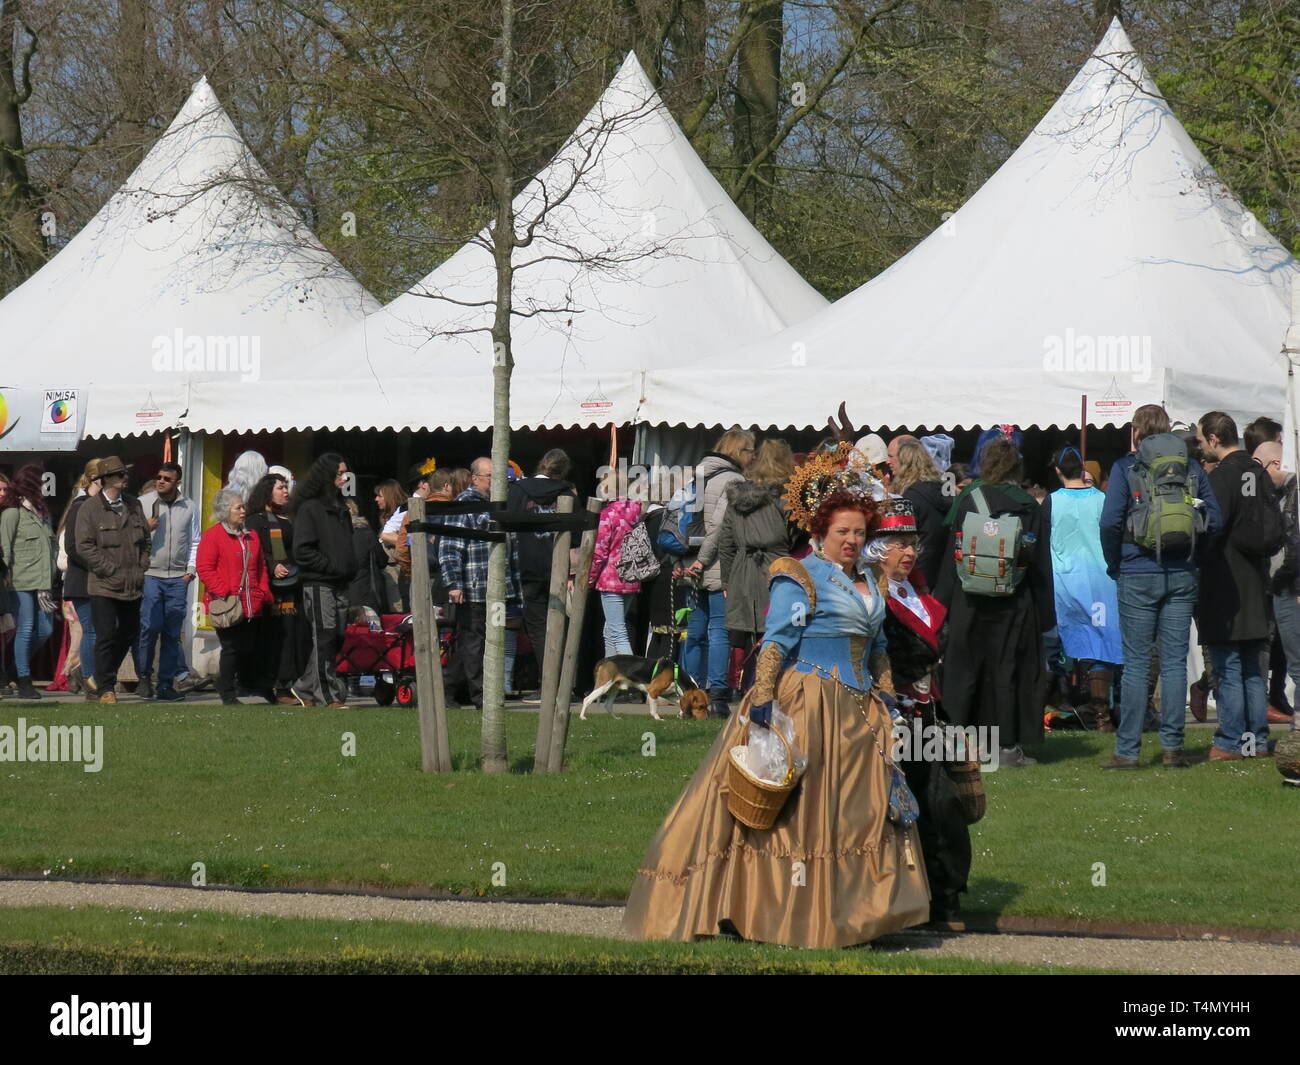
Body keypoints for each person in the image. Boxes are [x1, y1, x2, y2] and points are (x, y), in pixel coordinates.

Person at [623, 447, 929, 947]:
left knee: (859, 812)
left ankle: (856, 913)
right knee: (797, 813)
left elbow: (876, 649)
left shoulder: (872, 579)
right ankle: (774, 909)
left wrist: (889, 696)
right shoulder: (799, 574)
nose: (852, 540)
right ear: (821, 533)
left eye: (859, 532)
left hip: (859, 712)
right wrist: (763, 698)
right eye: (842, 532)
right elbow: (777, 643)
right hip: (807, 703)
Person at [863, 496, 971, 929]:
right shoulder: (870, 595)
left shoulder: (915, 589)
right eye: (897, 542)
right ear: (876, 546)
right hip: (888, 718)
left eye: (911, 542)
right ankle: (901, 903)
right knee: (896, 810)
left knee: (942, 805)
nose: (908, 552)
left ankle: (944, 898)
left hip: (928, 717)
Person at [1099, 404, 1222, 769]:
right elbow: (1214, 519)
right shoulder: (1191, 467)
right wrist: (1195, 553)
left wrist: (1115, 562)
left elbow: (1109, 522)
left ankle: (1128, 751)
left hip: (1136, 571)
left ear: (1136, 432)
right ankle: (1172, 748)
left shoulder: (1126, 468)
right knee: (1173, 662)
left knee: (1136, 664)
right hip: (1182, 572)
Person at [937, 435, 1054, 767]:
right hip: (1014, 599)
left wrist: (939, 605)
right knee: (1008, 672)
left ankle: (957, 746)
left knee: (964, 670)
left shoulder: (968, 498)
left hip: (967, 597)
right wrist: (1045, 613)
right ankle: (1005, 748)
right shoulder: (1028, 504)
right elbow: (1039, 561)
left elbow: (950, 557)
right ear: (1017, 467)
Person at [1197, 411, 1281, 760]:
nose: (1201, 447)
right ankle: (1255, 742)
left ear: (1215, 439)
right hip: (1258, 580)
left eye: (1202, 441)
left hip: (1226, 582)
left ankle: (1232, 741)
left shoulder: (1222, 477)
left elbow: (1211, 528)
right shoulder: (1258, 472)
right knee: (1251, 668)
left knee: (1228, 666)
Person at [1044, 446, 1121, 730]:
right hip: (1100, 581)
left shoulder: (1052, 501)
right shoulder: (1103, 499)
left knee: (1058, 642)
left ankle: (1052, 707)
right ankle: (1101, 715)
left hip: (1063, 580)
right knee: (1099, 643)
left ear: (1057, 470)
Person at [438, 457, 522, 710]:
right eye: (491, 477)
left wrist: (513, 590)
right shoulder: (465, 505)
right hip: (473, 588)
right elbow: (450, 547)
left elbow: (511, 549)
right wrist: (454, 583)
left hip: (496, 590)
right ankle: (481, 698)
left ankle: (448, 689)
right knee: (474, 642)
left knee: (480, 642)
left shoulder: (497, 505)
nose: (497, 482)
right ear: (475, 479)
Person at [715, 438, 794, 690]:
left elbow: (725, 542)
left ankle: (745, 690)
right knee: (777, 634)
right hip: (778, 570)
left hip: (742, 570)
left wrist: (728, 580)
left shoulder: (737, 497)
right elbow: (795, 537)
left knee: (749, 640)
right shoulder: (787, 496)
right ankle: (771, 690)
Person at [685, 429, 754, 717]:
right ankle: (717, 697)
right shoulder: (734, 481)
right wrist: (702, 560)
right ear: (739, 452)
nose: (753, 457)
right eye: (750, 451)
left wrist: (689, 561)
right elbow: (719, 527)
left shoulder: (697, 477)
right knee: (718, 631)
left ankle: (690, 693)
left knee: (695, 631)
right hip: (715, 564)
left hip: (689, 561)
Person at [75, 456, 151, 704]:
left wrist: (142, 566)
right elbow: (84, 547)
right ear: (106, 479)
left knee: (128, 634)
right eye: (119, 475)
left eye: (124, 474)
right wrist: (108, 569)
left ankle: (98, 676)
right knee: (106, 635)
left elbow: (146, 541)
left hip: (132, 583)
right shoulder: (89, 508)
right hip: (103, 584)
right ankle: (106, 688)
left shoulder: (134, 504)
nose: (124, 478)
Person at [290, 453, 358, 708]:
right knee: (325, 635)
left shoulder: (341, 508)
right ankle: (326, 695)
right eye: (339, 473)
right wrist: (330, 566)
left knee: (335, 637)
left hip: (341, 582)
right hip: (320, 583)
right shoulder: (311, 509)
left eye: (345, 473)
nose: (343, 478)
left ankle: (304, 687)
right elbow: (302, 550)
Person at [196, 489, 273, 705]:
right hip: (226, 604)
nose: (243, 511)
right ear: (225, 510)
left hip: (251, 602)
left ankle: (240, 683)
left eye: (243, 506)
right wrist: (224, 591)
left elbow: (261, 566)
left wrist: (262, 590)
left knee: (247, 647)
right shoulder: (213, 536)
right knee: (231, 647)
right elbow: (205, 568)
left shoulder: (251, 535)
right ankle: (227, 692)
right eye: (238, 507)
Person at [507, 448, 577, 684]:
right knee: (563, 625)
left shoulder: (518, 491)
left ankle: (547, 683)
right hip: (559, 565)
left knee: (537, 629)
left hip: (527, 565)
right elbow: (577, 536)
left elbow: (509, 527)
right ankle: (565, 682)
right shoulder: (567, 493)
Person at [135, 461, 199, 701]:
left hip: (178, 578)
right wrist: (145, 530)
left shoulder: (189, 506)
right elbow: (131, 539)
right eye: (159, 477)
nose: (161, 481)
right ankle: (144, 676)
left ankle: (165, 684)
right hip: (151, 574)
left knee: (172, 633)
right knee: (149, 628)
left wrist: (190, 571)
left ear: (177, 482)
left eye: (167, 479)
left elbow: (195, 540)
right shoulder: (143, 504)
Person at [0, 464, 57, 699]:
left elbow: (51, 547)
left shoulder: (43, 514)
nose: (44, 488)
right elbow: (4, 548)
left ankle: (13, 670)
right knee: (25, 629)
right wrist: (6, 579)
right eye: (41, 483)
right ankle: (24, 679)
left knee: (45, 630)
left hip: (43, 583)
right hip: (20, 581)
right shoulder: (12, 513)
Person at [245, 472, 303, 704]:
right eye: (280, 487)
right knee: (272, 637)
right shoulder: (257, 520)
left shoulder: (290, 518)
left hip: (292, 585)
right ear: (267, 491)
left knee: (291, 636)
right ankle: (273, 684)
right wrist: (272, 565)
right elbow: (255, 550)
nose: (285, 491)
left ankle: (286, 683)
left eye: (286, 487)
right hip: (269, 590)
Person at [56, 459, 105, 698]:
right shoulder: (81, 506)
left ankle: (82, 673)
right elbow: (69, 550)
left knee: (91, 633)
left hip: (94, 580)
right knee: (88, 632)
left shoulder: (98, 504)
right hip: (80, 580)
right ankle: (87, 677)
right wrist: (99, 563)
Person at [1257, 441, 1298, 726]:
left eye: (1260, 466)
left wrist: (1278, 579)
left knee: (1297, 661)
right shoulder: (1284, 493)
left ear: (1275, 465)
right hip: (1287, 585)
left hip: (1290, 587)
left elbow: (1294, 544)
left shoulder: (1294, 493)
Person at [588, 498, 644, 656]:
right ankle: (611, 675)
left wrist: (589, 580)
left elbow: (599, 553)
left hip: (611, 579)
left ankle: (629, 674)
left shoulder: (607, 515)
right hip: (632, 577)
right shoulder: (636, 513)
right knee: (610, 630)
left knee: (618, 632)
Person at [891, 438, 948, 590]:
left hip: (916, 573)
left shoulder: (910, 498)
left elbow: (903, 539)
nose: (890, 463)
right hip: (942, 573)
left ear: (905, 464)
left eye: (893, 458)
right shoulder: (942, 491)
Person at [346, 499, 391, 614]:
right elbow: (382, 561)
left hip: (344, 595)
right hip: (368, 593)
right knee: (371, 629)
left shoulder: (334, 536)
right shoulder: (365, 533)